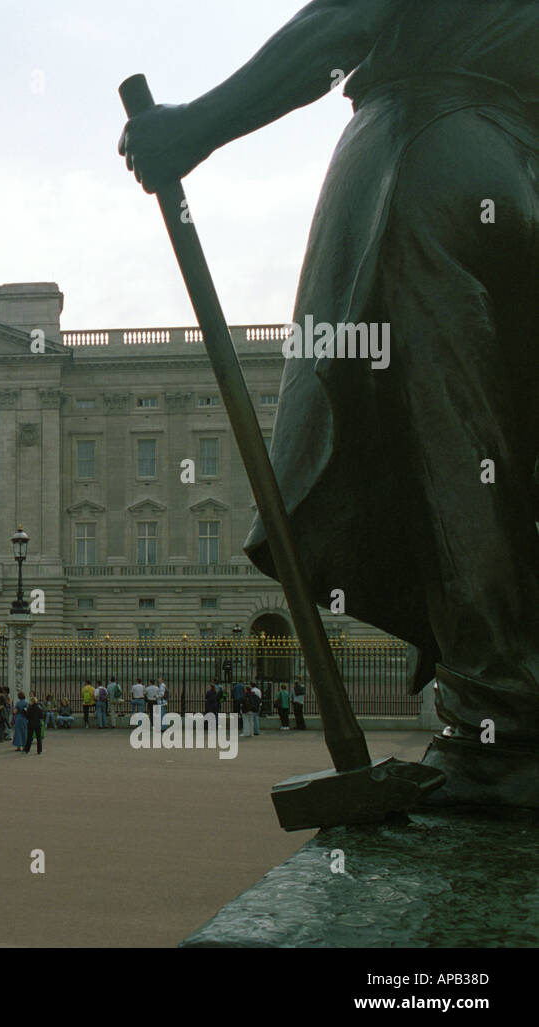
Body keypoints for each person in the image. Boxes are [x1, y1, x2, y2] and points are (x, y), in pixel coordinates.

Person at [121, 0, 539, 807]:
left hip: (430, 153)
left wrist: (198, 125)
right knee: (508, 451)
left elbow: (349, 18)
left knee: (446, 439)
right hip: (521, 175)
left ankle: (501, 719)